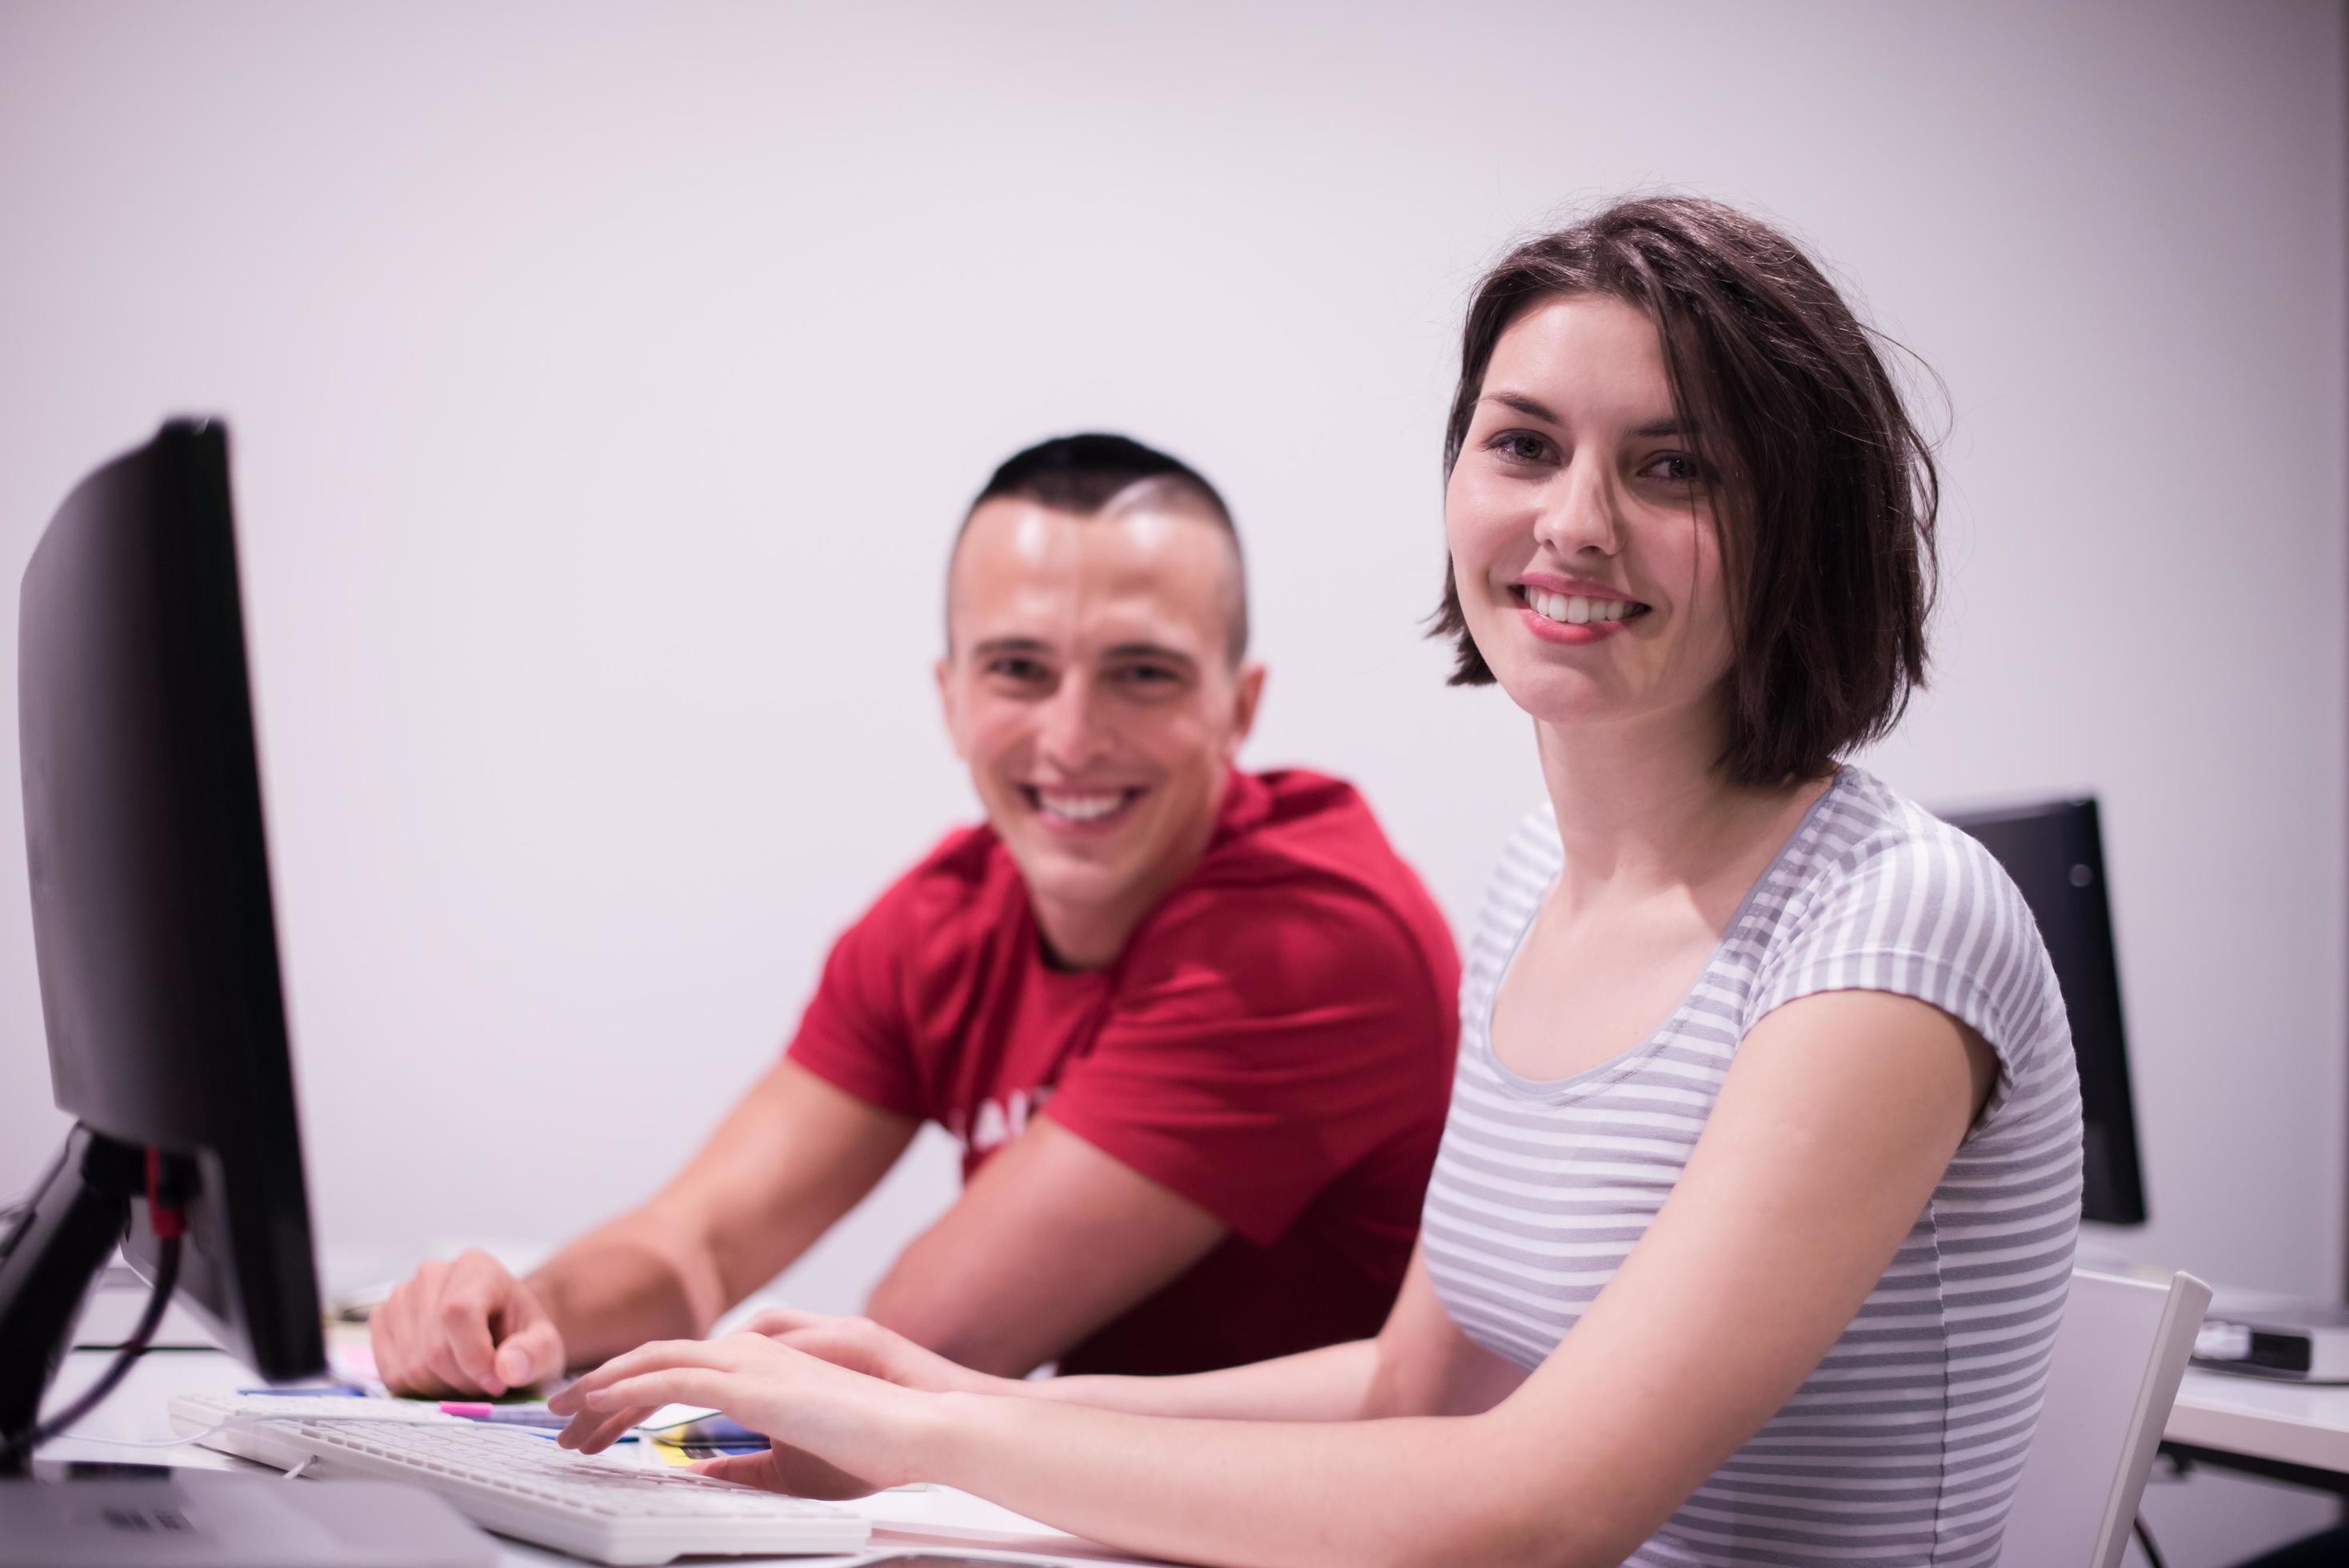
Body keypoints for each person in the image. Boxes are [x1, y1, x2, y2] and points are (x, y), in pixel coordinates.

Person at [550, 198, 2087, 1568]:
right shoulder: (1540, 880)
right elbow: (1414, 1388)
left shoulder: (1891, 920)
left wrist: (946, 1441)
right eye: (1524, 443)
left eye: (1673, 465)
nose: (1572, 521)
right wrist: (958, 1402)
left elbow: (1542, 1512)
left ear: (1804, 530)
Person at [370, 434, 1462, 1394]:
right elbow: (697, 1245)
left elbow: (922, 1349)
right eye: (1020, 670)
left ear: (1241, 706)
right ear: (950, 697)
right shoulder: (945, 919)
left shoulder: (1314, 941)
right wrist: (524, 1314)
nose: (1073, 737)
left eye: (1142, 673)